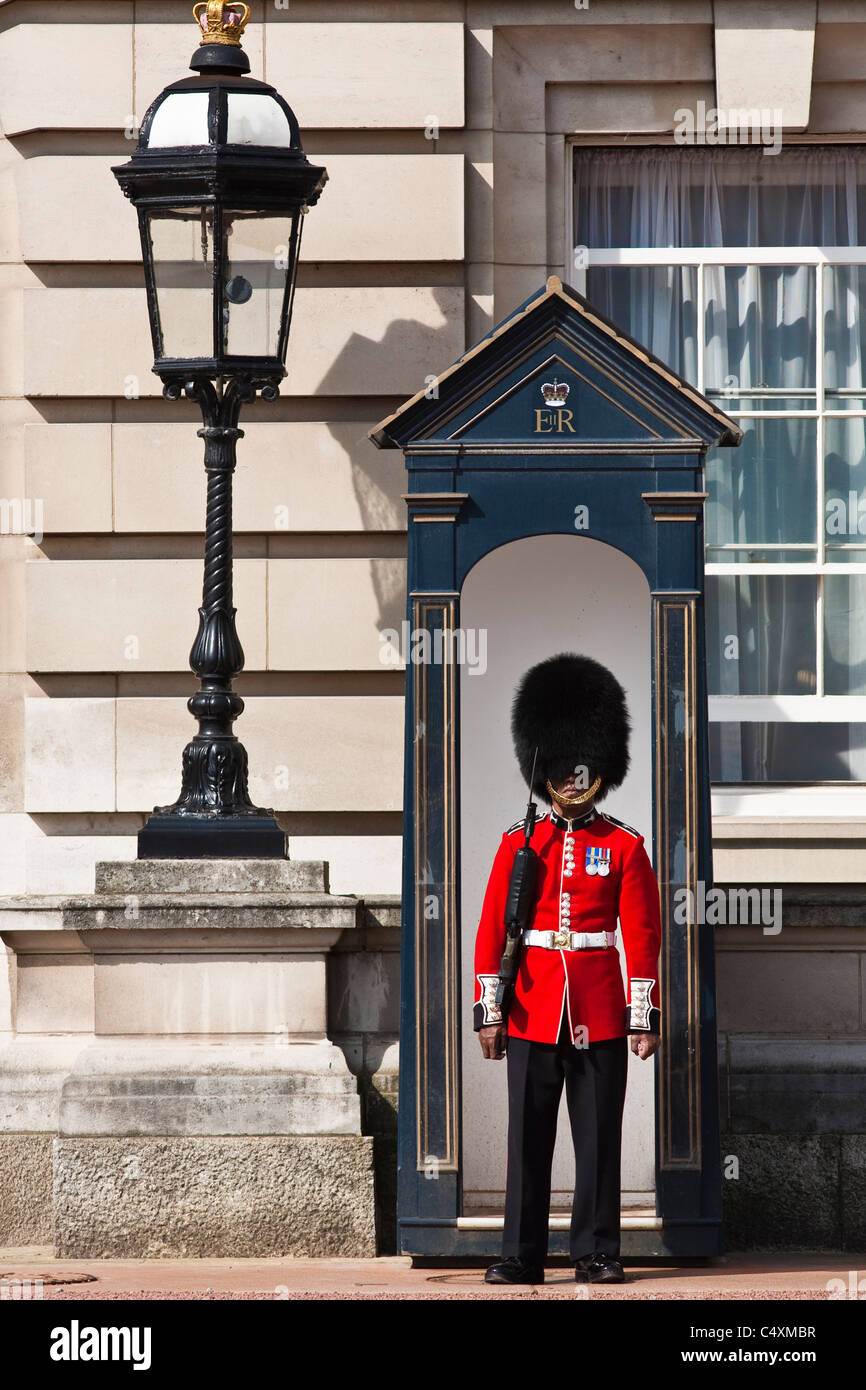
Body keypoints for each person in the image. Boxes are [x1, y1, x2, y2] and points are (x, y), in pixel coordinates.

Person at [473, 652, 662, 1285]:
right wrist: (490, 1011)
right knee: (527, 1139)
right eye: (560, 769)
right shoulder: (517, 844)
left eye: (582, 770)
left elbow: (641, 937)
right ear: (545, 767)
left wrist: (643, 1017)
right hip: (530, 1007)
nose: (571, 781)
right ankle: (521, 1254)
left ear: (599, 772)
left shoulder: (625, 846)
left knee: (597, 1140)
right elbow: (492, 932)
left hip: (600, 1011)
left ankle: (596, 1251)